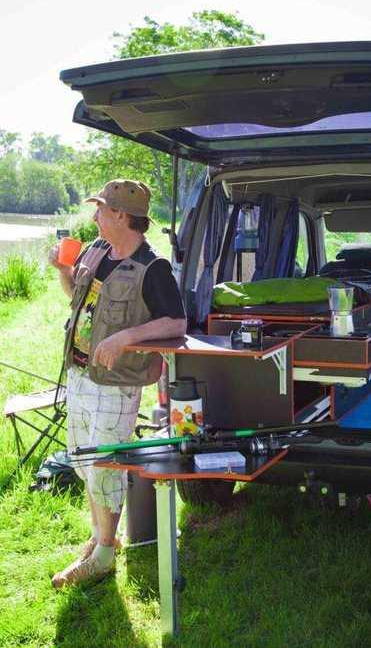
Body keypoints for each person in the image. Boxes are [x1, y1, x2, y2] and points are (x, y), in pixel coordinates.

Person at [48, 179, 186, 588]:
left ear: (122, 216)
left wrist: (126, 337)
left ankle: (104, 554)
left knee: (105, 465)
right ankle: (100, 539)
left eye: (102, 210)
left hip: (117, 382)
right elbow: (78, 297)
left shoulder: (153, 267)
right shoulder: (96, 250)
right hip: (79, 372)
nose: (95, 216)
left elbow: (176, 322)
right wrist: (62, 273)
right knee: (84, 459)